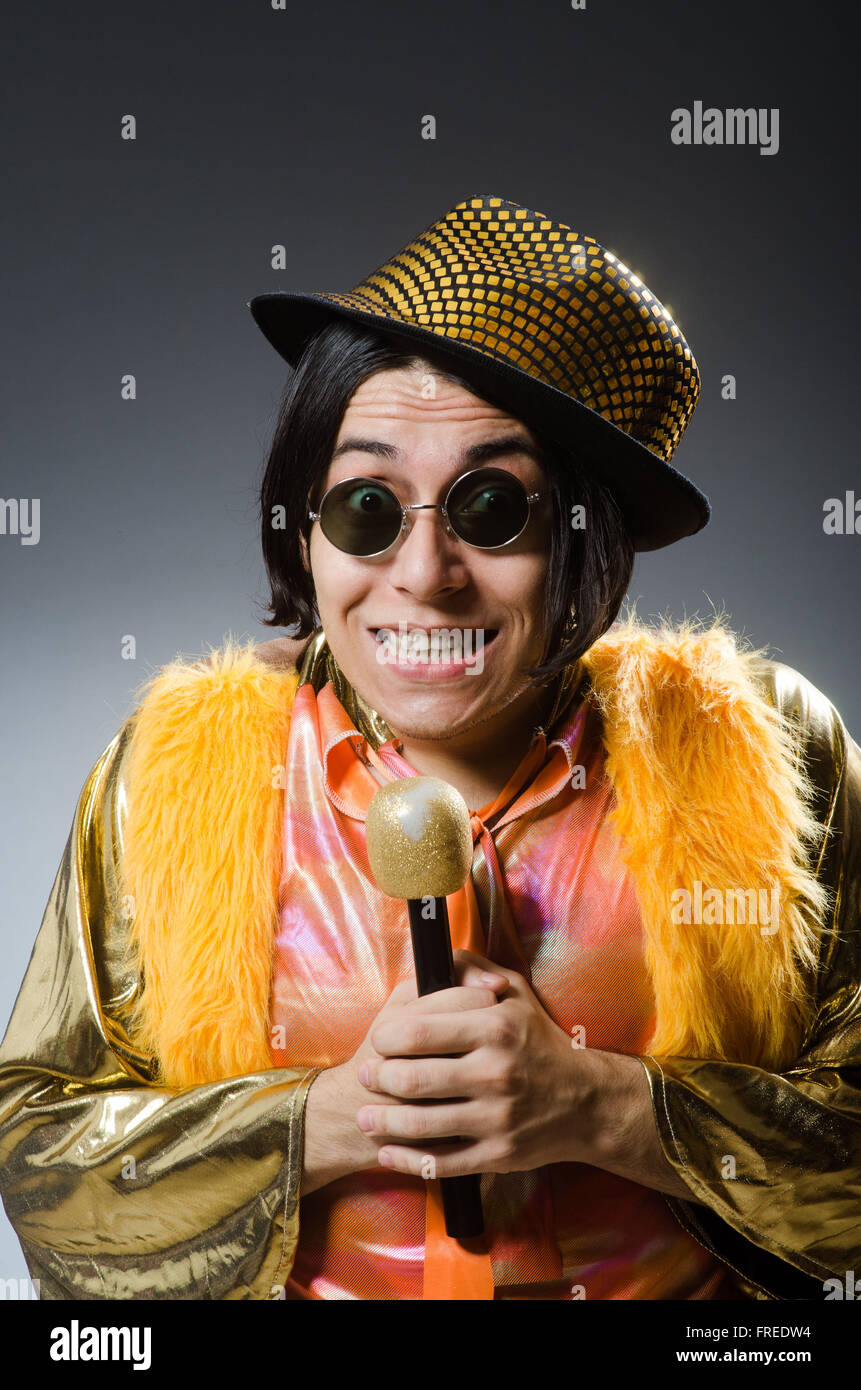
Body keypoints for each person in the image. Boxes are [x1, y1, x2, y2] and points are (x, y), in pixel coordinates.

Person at [1, 194, 859, 1301]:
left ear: (585, 536)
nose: (424, 572)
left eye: (492, 505)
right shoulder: (176, 769)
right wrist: (320, 1124)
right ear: (302, 525)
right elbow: (39, 1156)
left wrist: (610, 1109)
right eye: (366, 504)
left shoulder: (767, 751)